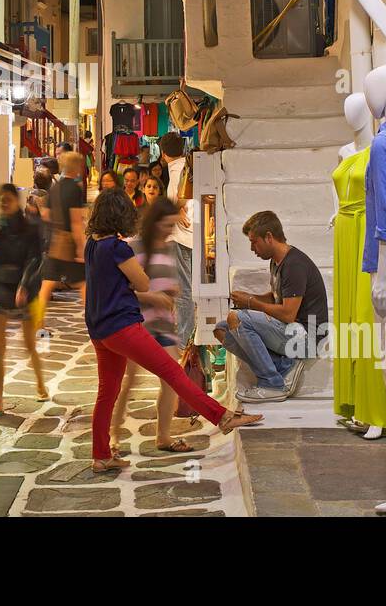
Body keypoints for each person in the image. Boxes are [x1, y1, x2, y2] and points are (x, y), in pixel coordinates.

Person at [84, 190, 261, 471]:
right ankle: (223, 417)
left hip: (99, 329)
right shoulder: (118, 248)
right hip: (122, 325)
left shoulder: (92, 246)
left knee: (107, 392)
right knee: (172, 373)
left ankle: (101, 455)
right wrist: (135, 282)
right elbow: (143, 283)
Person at [110, 197, 197, 454]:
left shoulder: (166, 249)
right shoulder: (134, 248)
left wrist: (170, 293)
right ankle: (113, 434)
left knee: (171, 379)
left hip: (163, 326)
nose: (169, 231)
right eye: (166, 226)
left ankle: (163, 436)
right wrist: (153, 297)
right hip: (137, 326)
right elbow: (122, 291)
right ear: (154, 223)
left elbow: (164, 284)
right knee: (128, 382)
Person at [215, 210, 329, 403]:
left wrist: (250, 303)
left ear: (269, 237)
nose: (252, 248)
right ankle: (283, 367)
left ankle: (272, 384)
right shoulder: (277, 262)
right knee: (222, 330)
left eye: (254, 242)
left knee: (237, 319)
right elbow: (276, 298)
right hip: (293, 331)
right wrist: (249, 298)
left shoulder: (294, 265)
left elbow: (288, 314)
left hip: (308, 338)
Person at [0, 185, 49, 415]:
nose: (4, 203)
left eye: (8, 199)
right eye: (1, 200)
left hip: (25, 290)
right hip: (2, 289)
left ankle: (40, 383)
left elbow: (34, 259)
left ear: (16, 201)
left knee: (30, 344)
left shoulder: (30, 228)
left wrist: (24, 284)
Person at [37, 151, 88, 338]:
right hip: (69, 244)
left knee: (47, 285)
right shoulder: (75, 189)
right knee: (84, 283)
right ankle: (93, 322)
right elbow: (76, 221)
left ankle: (39, 325)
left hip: (54, 243)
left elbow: (45, 215)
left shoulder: (55, 187)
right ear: (76, 167)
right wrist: (81, 248)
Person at [158, 132, 197, 351]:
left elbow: (178, 198)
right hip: (190, 236)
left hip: (182, 237)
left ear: (163, 153)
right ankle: (186, 336)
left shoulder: (176, 171)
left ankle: (184, 340)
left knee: (183, 290)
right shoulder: (188, 166)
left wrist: (177, 209)